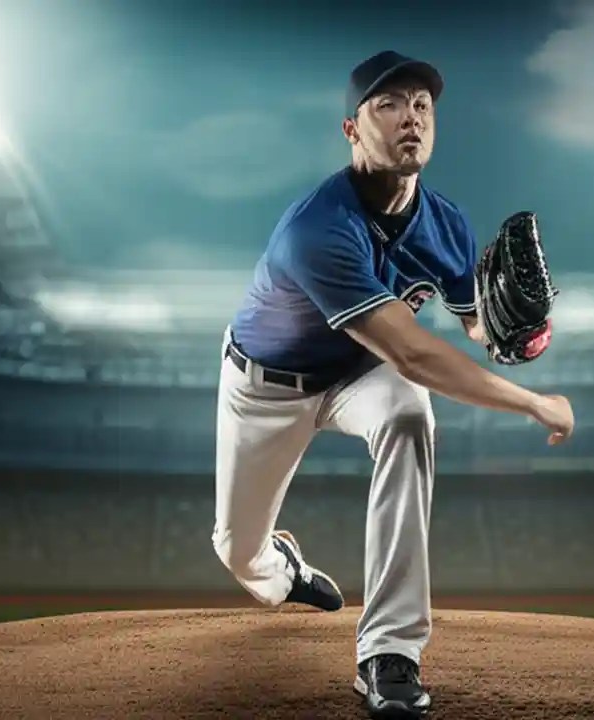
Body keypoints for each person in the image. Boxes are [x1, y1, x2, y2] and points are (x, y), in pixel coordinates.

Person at [211, 50, 575, 719]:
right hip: (265, 387)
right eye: (389, 104)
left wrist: (508, 334)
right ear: (352, 130)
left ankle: (390, 652)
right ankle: (282, 571)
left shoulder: (448, 224)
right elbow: (416, 355)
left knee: (410, 418)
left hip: (359, 374)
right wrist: (533, 402)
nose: (411, 117)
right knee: (237, 552)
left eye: (422, 104)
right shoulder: (318, 230)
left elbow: (470, 327)